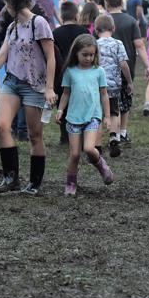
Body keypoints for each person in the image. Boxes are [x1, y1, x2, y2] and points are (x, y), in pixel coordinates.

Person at [0, 0, 57, 195]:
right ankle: (10, 178)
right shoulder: (13, 27)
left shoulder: (38, 23)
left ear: (12, 2)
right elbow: (3, 53)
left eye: (6, 2)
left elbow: (51, 57)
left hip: (34, 85)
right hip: (12, 82)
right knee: (1, 125)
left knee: (34, 135)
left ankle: (34, 183)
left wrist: (49, 88)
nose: (4, 6)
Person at [55, 34, 115, 195]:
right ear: (76, 53)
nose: (89, 58)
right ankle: (71, 182)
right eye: (85, 54)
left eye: (92, 54)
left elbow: (104, 94)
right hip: (73, 117)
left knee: (89, 148)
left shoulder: (99, 71)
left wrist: (107, 116)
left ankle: (102, 166)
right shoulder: (70, 71)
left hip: (92, 116)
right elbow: (66, 93)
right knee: (74, 154)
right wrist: (60, 109)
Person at [104, 0, 149, 145]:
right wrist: (147, 66)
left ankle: (113, 133)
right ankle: (122, 132)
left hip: (105, 70)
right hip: (127, 67)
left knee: (110, 101)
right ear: (121, 2)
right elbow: (139, 45)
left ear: (106, 2)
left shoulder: (103, 20)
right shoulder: (130, 20)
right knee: (125, 100)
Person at [53, 1, 91, 143]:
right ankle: (81, 133)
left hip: (61, 74)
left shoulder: (55, 33)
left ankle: (65, 135)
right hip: (82, 72)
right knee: (81, 103)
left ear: (61, 16)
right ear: (76, 15)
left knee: (63, 104)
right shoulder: (84, 31)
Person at [96, 15, 133, 158]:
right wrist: (129, 82)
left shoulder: (94, 43)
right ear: (113, 28)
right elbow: (123, 64)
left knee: (97, 114)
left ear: (96, 29)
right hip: (114, 85)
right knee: (114, 111)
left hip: (97, 84)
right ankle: (114, 137)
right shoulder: (118, 43)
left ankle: (97, 145)